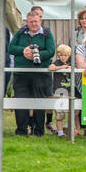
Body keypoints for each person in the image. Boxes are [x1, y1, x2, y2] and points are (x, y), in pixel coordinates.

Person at [8, 8, 55, 137]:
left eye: (36, 21)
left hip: (40, 74)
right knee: (21, 102)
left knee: (39, 103)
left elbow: (51, 51)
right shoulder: (21, 32)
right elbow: (11, 48)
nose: (34, 24)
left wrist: (37, 54)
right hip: (21, 74)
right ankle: (21, 130)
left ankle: (38, 131)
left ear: (40, 21)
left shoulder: (46, 34)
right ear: (27, 22)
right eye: (31, 22)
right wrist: (24, 51)